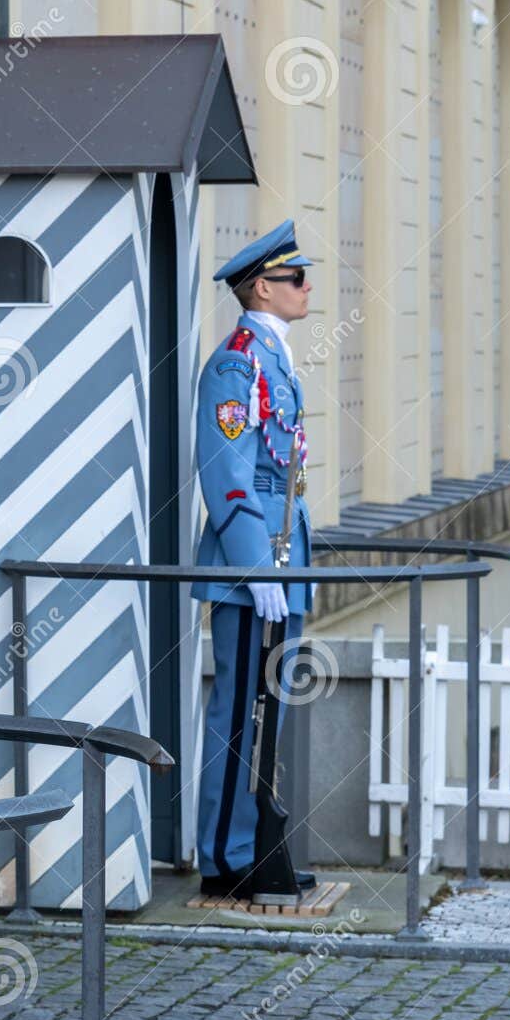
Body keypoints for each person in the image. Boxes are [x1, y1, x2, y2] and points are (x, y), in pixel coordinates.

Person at [190, 219, 318, 900]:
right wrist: (253, 566)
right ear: (263, 287)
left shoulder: (275, 357)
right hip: (256, 569)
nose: (308, 287)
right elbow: (227, 470)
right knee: (240, 712)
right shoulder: (238, 361)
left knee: (272, 712)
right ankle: (224, 856)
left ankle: (259, 847)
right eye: (296, 277)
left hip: (283, 560)